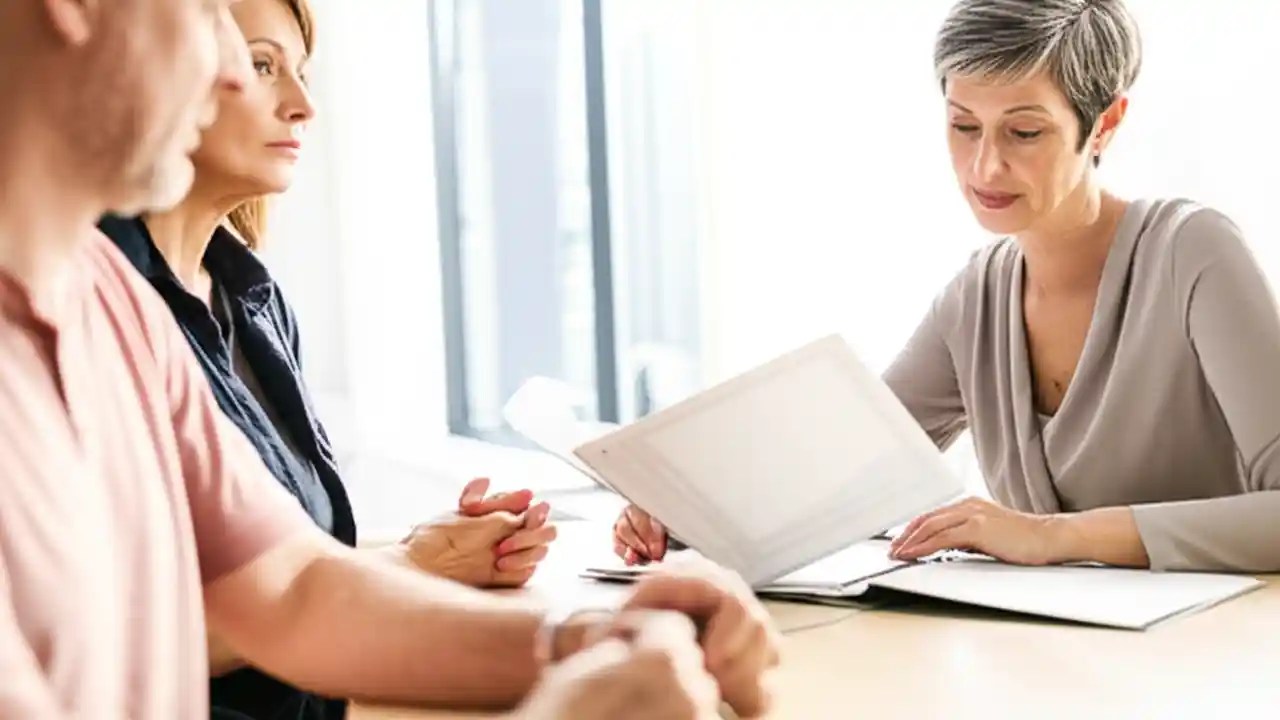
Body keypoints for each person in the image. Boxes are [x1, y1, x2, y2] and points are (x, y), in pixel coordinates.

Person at [0, 1, 779, 718]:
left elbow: (293, 591)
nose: (227, 70)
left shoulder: (109, 299)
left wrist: (589, 639)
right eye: (207, 13)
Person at [613, 0, 1280, 574]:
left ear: (1104, 123)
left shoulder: (1192, 254)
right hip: (1054, 666)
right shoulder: (977, 300)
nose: (986, 164)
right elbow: (837, 469)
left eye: (1024, 132)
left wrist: (1053, 538)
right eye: (963, 126)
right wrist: (680, 515)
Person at [96, 2, 556, 715]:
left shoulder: (256, 302)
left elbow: (289, 573)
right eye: (261, 64)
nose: (303, 106)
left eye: (301, 72)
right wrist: (408, 568)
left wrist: (426, 559)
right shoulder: (93, 305)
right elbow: (117, 631)